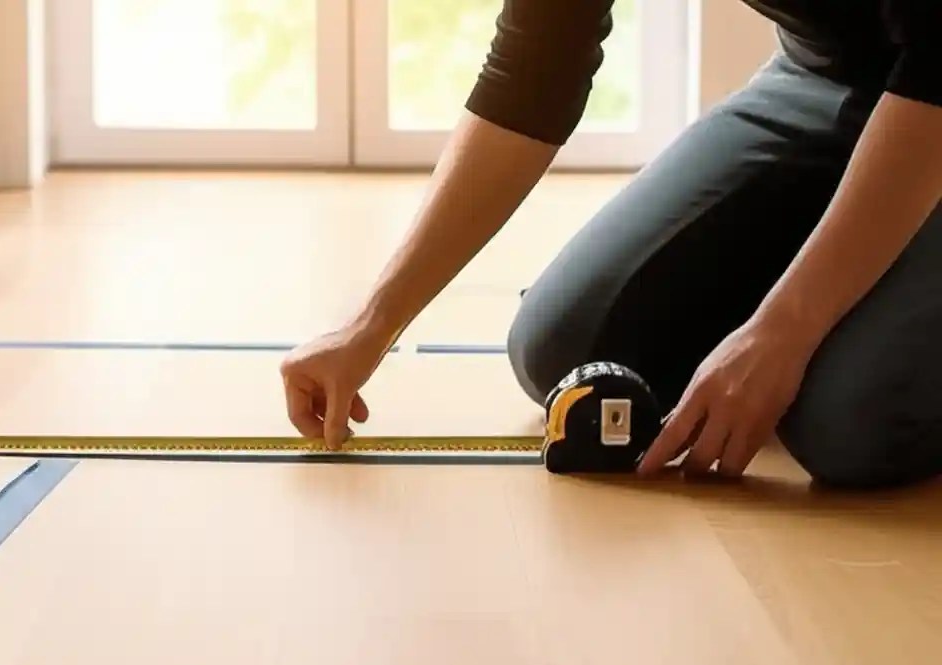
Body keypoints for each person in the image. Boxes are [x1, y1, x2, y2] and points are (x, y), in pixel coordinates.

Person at [278, 1, 941, 488]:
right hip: (818, 82)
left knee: (850, 426)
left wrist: (785, 330)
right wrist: (373, 322)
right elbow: (532, 76)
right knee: (567, 348)